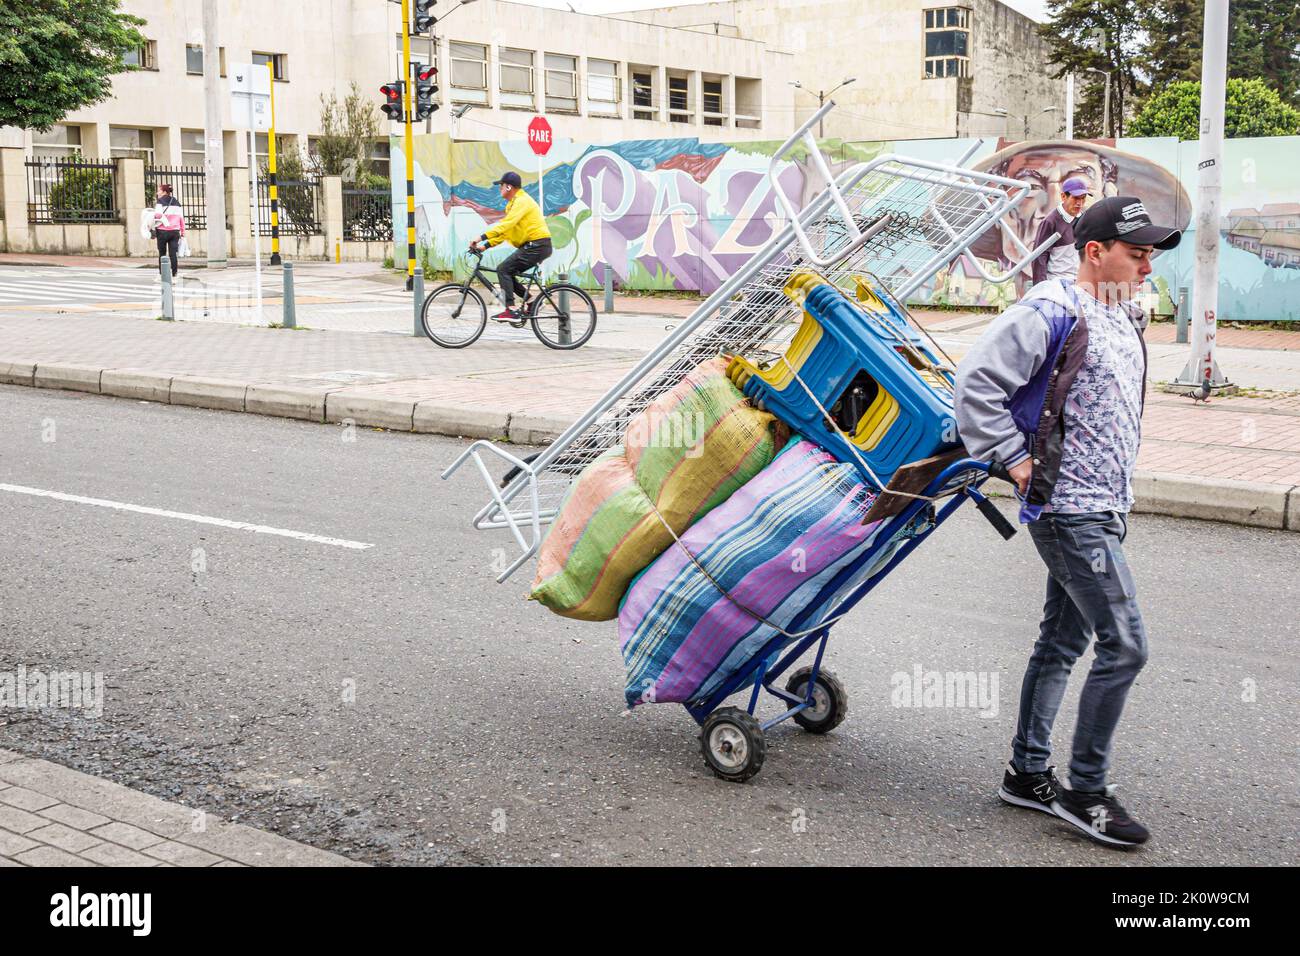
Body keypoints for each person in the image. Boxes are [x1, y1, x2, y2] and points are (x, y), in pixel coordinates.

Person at [954, 195, 1183, 848]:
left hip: (1105, 507)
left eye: (1149, 257)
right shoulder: (1051, 308)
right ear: (1094, 251)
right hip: (1068, 511)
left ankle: (1026, 775)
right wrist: (1015, 464)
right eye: (1135, 254)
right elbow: (975, 383)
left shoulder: (1119, 315)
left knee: (1061, 643)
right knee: (1126, 644)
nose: (1146, 267)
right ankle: (1086, 791)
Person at [469, 171, 552, 322]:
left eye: (501, 185)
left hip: (538, 245)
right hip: (535, 245)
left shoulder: (522, 201)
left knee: (503, 269)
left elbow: (506, 225)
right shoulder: (513, 205)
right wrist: (484, 246)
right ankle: (532, 301)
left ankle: (511, 309)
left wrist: (480, 237)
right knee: (508, 271)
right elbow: (505, 232)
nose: (499, 188)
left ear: (509, 187)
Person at [1030, 176, 1090, 284]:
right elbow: (1039, 257)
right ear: (1063, 196)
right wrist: (1040, 288)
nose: (1080, 203)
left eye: (1083, 198)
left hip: (1079, 283)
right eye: (1076, 198)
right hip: (1057, 284)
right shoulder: (1050, 222)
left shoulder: (1084, 219)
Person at [152, 184, 185, 279]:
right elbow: (181, 218)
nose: (157, 193)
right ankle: (174, 275)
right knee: (173, 254)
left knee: (162, 253)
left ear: (165, 192)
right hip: (175, 231)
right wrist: (183, 232)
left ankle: (161, 274)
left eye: (159, 191)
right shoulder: (177, 202)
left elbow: (158, 215)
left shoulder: (160, 201)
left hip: (162, 231)